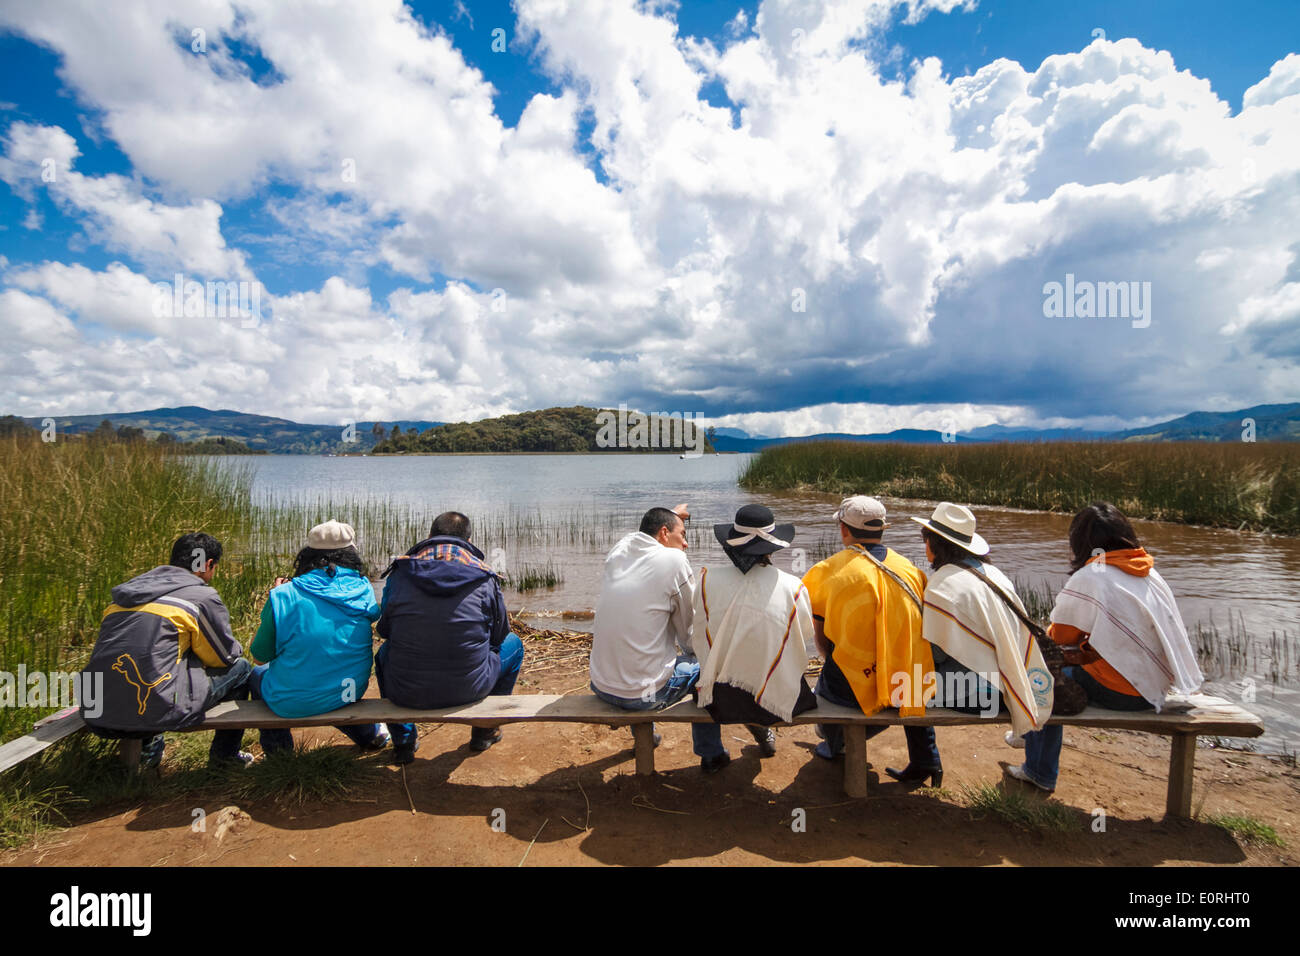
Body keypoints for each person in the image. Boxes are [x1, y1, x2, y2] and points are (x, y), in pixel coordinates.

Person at [1007, 502, 1204, 793]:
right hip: (1154, 690)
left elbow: (1061, 634)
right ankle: (1031, 733)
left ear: (1082, 542)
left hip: (1121, 693)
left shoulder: (1091, 576)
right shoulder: (1149, 572)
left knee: (1038, 679)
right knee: (1052, 671)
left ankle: (1039, 770)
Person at [81, 532, 282, 769]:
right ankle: (224, 758)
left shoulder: (124, 595)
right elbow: (224, 658)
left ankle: (149, 748)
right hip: (153, 713)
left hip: (96, 710)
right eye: (214, 567)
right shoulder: (200, 597)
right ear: (207, 564)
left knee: (155, 670)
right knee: (241, 669)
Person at [905, 502, 1053, 784]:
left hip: (982, 696)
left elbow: (934, 654)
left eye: (925, 540)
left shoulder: (942, 584)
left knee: (903, 688)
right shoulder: (995, 574)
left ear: (935, 544)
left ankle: (923, 760)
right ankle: (925, 762)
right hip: (1014, 685)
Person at [801, 496, 936, 776]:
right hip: (906, 687)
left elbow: (822, 641)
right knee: (912, 669)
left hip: (854, 691)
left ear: (843, 529)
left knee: (827, 688)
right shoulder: (911, 570)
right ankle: (927, 760)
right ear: (883, 529)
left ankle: (834, 744)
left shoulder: (827, 571)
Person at [375, 511, 524, 763]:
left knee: (383, 655)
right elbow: (499, 637)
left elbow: (385, 630)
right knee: (514, 645)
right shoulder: (485, 577)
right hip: (470, 688)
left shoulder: (400, 573)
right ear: (468, 539)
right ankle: (484, 729)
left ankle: (403, 743)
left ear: (430, 536)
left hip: (407, 690)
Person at [688, 505, 817, 772]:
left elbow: (699, 632)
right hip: (773, 704)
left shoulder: (706, 579)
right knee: (769, 670)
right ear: (772, 547)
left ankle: (711, 756)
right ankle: (763, 731)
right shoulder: (794, 586)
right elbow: (804, 636)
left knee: (701, 678)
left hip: (721, 699)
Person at [247, 520, 387, 753]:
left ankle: (279, 755)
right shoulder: (363, 588)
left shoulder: (284, 595)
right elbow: (371, 615)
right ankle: (369, 735)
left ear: (308, 555)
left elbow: (260, 657)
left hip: (292, 701)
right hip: (350, 690)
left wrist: (276, 599)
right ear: (351, 555)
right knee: (332, 677)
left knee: (256, 674)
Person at [589, 505, 713, 761]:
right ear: (665, 533)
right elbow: (689, 635)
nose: (687, 544)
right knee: (709, 666)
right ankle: (712, 754)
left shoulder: (619, 552)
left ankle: (649, 735)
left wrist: (672, 512)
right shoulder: (675, 561)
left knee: (638, 656)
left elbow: (645, 531)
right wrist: (702, 656)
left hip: (600, 684)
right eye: (683, 535)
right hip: (641, 697)